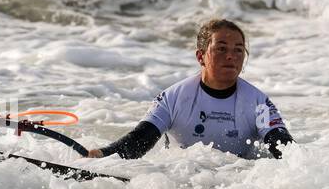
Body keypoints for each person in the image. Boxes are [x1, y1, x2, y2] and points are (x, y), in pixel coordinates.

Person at [85, 18, 293, 160]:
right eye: (221, 49)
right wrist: (102, 155)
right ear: (200, 56)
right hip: (183, 182)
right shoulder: (173, 98)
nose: (231, 56)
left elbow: (284, 147)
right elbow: (138, 141)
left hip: (237, 188)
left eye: (238, 50)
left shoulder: (259, 102)